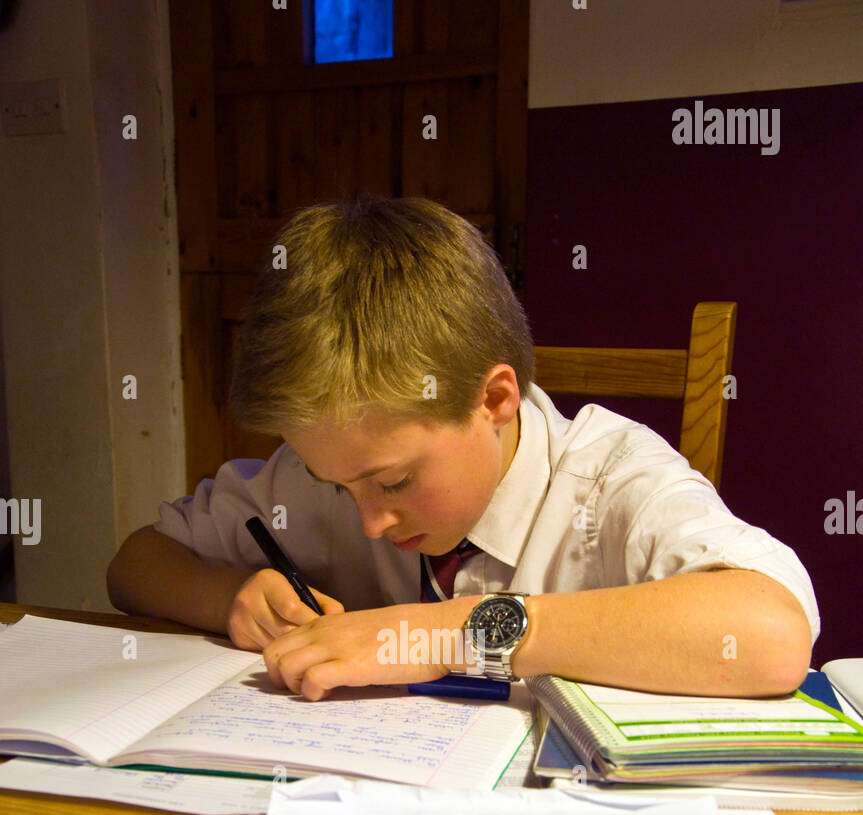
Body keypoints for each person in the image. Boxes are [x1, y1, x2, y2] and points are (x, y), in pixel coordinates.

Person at [107, 195, 818, 702]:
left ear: (495, 401)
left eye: (393, 482)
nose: (369, 523)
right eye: (335, 487)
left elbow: (769, 633)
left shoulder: (611, 479)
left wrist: (442, 631)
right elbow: (136, 563)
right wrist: (228, 596)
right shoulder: (329, 471)